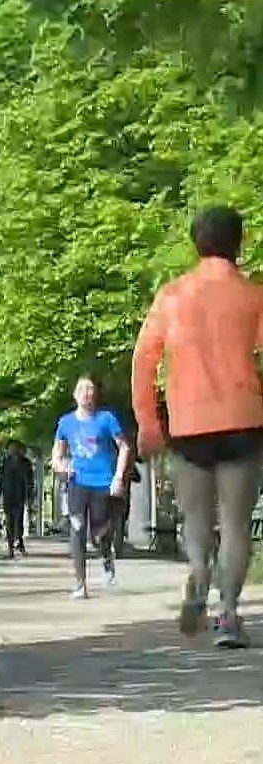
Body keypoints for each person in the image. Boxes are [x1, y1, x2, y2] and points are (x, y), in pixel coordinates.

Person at [132, 205, 263, 649]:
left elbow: (143, 360)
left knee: (197, 522)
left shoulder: (172, 296)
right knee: (236, 524)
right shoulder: (253, 296)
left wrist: (149, 422)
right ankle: (228, 614)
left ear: (196, 243)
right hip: (243, 419)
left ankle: (199, 573)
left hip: (188, 424)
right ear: (238, 244)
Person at [52, 377, 131, 599]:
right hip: (77, 482)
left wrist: (118, 477)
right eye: (82, 390)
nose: (87, 394)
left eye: (90, 390)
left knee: (99, 532)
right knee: (77, 529)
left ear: (94, 395)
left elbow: (124, 447)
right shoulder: (66, 423)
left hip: (103, 482)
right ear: (75, 395)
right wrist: (60, 465)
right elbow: (57, 454)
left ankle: (106, 555)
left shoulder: (106, 419)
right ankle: (80, 583)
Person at [0, 440, 34, 558]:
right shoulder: (6, 462)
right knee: (9, 522)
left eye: (14, 448)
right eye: (10, 448)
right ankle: (11, 547)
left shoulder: (26, 463)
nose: (12, 450)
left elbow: (30, 481)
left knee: (18, 521)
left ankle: (19, 541)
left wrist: (30, 495)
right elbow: (2, 479)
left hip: (20, 495)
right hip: (8, 495)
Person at [109, 457, 142, 557]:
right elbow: (137, 477)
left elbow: (137, 477)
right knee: (117, 521)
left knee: (117, 521)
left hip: (120, 495)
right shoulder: (125, 461)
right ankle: (116, 547)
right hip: (118, 495)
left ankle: (115, 547)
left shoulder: (126, 462)